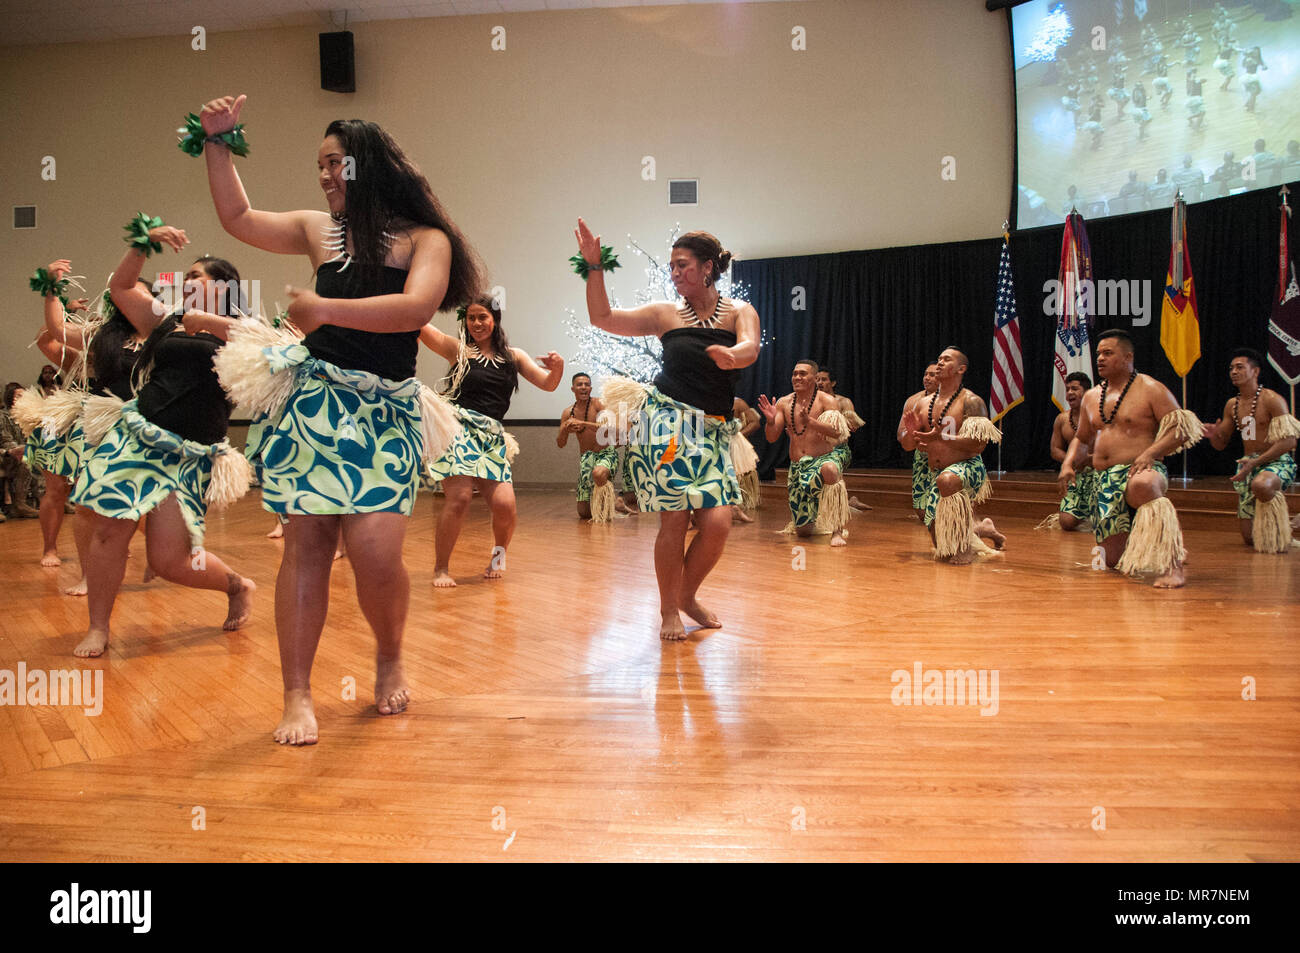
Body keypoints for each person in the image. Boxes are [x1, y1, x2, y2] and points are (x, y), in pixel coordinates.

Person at [200, 94, 481, 744]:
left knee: (377, 553)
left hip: (384, 411)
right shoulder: (315, 229)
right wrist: (218, 142)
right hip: (315, 405)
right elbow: (237, 216)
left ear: (367, 165)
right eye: (319, 165)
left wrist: (325, 311)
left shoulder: (424, 239)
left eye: (335, 163)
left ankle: (388, 653)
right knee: (307, 547)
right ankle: (296, 693)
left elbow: (414, 311)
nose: (324, 175)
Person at [69, 227, 257, 658]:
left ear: (223, 286)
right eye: (185, 277)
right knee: (108, 530)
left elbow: (279, 348)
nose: (187, 282)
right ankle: (99, 627)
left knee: (168, 560)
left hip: (191, 454)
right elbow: (119, 288)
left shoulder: (246, 329)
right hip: (139, 437)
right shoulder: (166, 319)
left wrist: (208, 322)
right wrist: (144, 242)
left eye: (197, 277)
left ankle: (236, 584)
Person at [575, 219, 759, 641]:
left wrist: (734, 356)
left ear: (709, 267)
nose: (674, 274)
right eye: (671, 267)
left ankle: (686, 595)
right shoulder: (665, 314)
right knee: (674, 522)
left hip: (713, 432)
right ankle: (667, 611)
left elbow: (750, 346)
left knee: (717, 522)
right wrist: (594, 267)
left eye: (683, 266)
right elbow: (601, 317)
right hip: (667, 428)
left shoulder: (738, 312)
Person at [423, 296, 563, 583]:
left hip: (492, 436)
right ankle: (441, 568)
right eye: (471, 317)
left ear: (495, 319)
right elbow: (422, 328)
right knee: (459, 498)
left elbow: (548, 384)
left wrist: (557, 367)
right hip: (457, 429)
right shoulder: (458, 351)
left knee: (504, 506)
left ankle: (498, 558)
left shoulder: (515, 356)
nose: (476, 323)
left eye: (482, 317)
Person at [1059, 329, 1202, 588]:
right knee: (1110, 560)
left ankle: (1173, 564)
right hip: (1104, 480)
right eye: (1099, 353)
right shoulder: (1092, 396)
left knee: (1142, 486)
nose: (1100, 358)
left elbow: (1182, 429)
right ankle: (1155, 539)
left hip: (1142, 468)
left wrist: (1151, 452)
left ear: (1127, 357)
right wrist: (1068, 464)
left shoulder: (1150, 389)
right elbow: (1081, 438)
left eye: (1108, 353)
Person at [899, 348, 1005, 563]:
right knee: (943, 548)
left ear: (961, 369)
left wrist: (941, 438)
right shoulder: (922, 404)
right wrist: (912, 434)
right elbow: (909, 446)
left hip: (967, 467)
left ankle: (965, 544)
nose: (939, 363)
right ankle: (980, 528)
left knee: (947, 480)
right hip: (935, 474)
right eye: (938, 359)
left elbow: (979, 445)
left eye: (946, 360)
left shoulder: (972, 401)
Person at [1201, 348, 1298, 552]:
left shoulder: (1272, 399)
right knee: (1250, 539)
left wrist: (1257, 461)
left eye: (1240, 367)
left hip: (1277, 462)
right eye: (1231, 368)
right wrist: (1214, 435)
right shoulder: (1232, 405)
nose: (1233, 372)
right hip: (1248, 466)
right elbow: (1221, 444)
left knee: (1262, 484)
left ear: (1255, 372)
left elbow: (1289, 442)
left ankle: (1283, 531)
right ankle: (1286, 527)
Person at [759, 360, 851, 546]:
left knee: (831, 469)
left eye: (802, 373)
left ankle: (837, 530)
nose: (797, 377)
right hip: (798, 465)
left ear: (814, 378)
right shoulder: (784, 403)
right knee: (803, 532)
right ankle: (817, 520)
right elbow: (772, 438)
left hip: (823, 457)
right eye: (794, 374)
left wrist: (810, 421)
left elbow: (837, 432)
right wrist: (770, 421)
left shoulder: (827, 401)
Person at [557, 372, 618, 521]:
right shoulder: (567, 412)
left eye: (587, 384)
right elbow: (560, 443)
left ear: (591, 388)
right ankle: (616, 503)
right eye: (580, 384)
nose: (584, 387)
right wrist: (565, 429)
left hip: (606, 454)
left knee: (598, 473)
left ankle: (611, 503)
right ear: (573, 389)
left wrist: (583, 424)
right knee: (584, 513)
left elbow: (608, 427)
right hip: (586, 458)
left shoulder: (598, 404)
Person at [1042, 371, 1095, 531]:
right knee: (1066, 522)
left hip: (1097, 473)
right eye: (1067, 389)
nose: (1070, 393)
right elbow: (1055, 450)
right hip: (1075, 475)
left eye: (1075, 389)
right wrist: (1071, 461)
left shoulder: (1099, 417)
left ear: (1086, 392)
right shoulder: (1062, 419)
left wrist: (1090, 459)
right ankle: (1085, 517)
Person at [897, 363, 939, 521]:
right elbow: (901, 435)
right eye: (926, 374)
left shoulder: (951, 401)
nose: (927, 377)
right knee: (921, 510)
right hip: (921, 455)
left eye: (933, 374)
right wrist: (911, 434)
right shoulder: (913, 401)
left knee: (938, 509)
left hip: (945, 456)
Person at [1, 384, 38, 521]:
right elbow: (6, 439)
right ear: (11, 399)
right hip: (7, 453)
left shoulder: (27, 418)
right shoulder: (3, 416)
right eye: (19, 396)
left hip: (22, 450)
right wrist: (17, 449)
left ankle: (53, 501)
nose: (23, 399)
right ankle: (19, 505)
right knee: (26, 459)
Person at [730, 396, 762, 522]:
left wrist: (738, 436)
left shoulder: (738, 403)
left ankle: (740, 503)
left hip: (736, 448)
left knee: (740, 473)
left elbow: (755, 422)